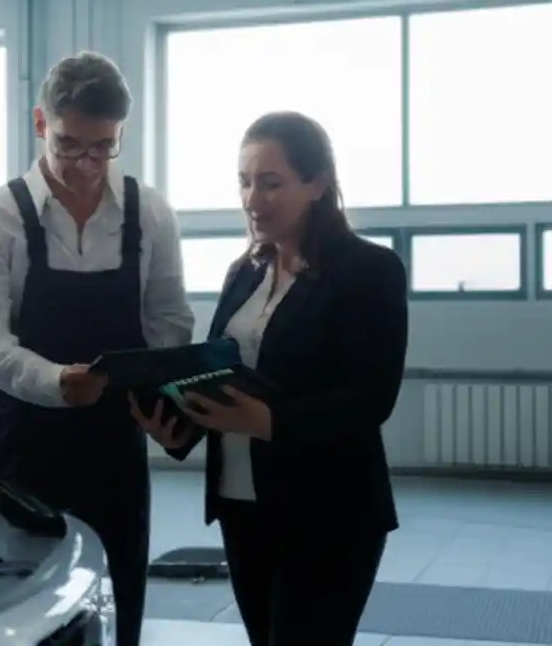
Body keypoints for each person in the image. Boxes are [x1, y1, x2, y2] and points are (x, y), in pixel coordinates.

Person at [135, 111, 409, 646]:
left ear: (318, 184)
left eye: (271, 182)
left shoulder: (369, 269)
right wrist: (180, 430)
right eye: (245, 181)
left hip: (330, 511)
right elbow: (221, 376)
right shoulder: (245, 272)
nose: (252, 198)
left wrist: (271, 419)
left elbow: (371, 397)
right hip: (242, 504)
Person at [0, 51, 195, 646]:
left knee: (118, 603)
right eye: (69, 145)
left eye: (103, 147)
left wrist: (152, 386)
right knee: (25, 610)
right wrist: (57, 383)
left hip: (116, 449)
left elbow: (170, 319)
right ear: (41, 123)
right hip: (22, 450)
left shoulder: (151, 214)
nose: (87, 164)